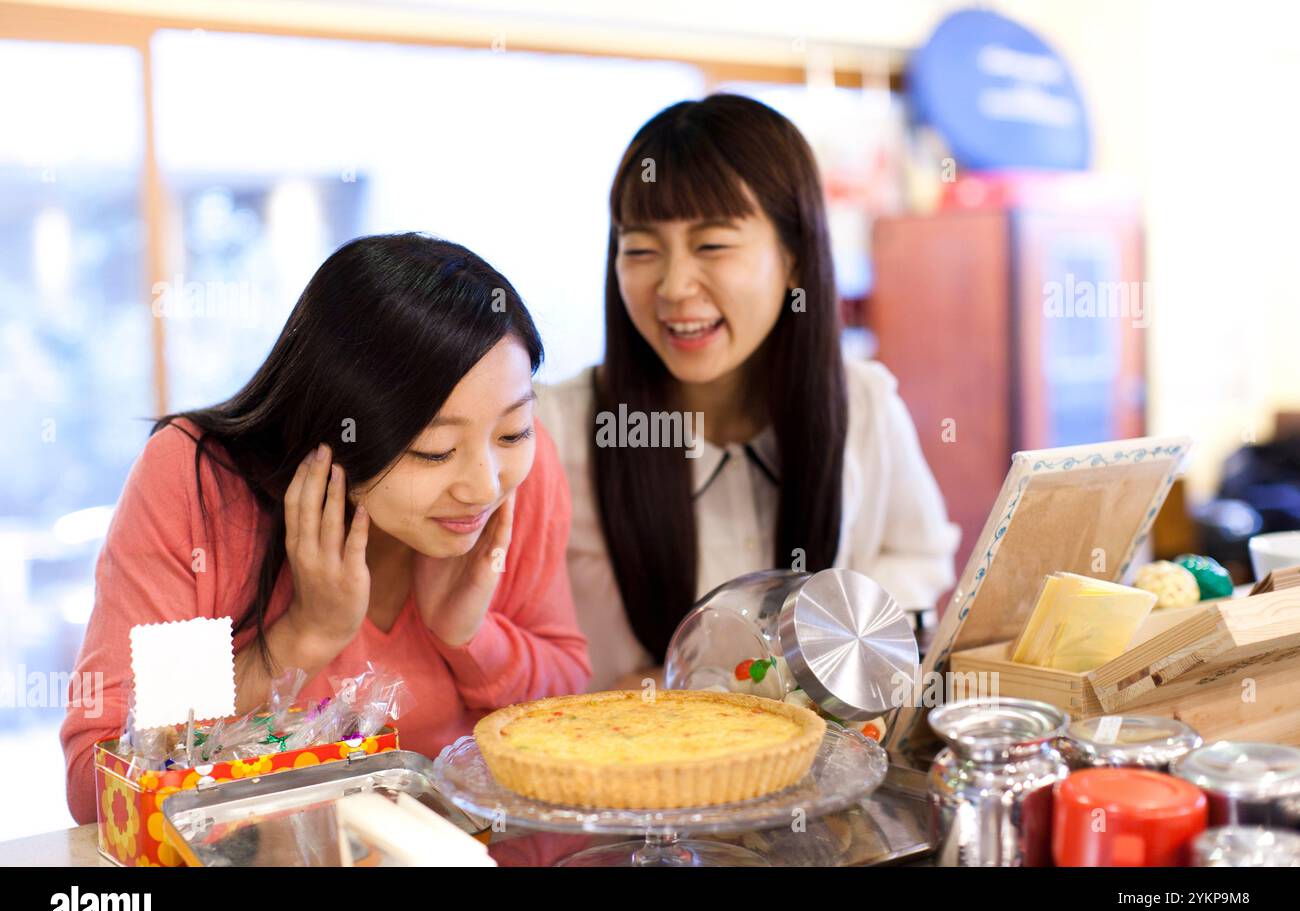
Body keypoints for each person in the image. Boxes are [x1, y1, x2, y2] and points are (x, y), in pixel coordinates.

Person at [61, 233, 590, 824]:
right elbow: (101, 782)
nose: (484, 485)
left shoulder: (521, 483)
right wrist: (303, 636)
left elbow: (575, 723)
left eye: (513, 433)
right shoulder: (200, 487)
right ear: (338, 432)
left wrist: (469, 634)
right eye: (436, 451)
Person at [538, 94, 959, 691]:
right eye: (640, 249)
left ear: (793, 258)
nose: (675, 285)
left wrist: (831, 646)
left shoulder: (862, 402)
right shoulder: (556, 430)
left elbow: (919, 556)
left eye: (712, 245)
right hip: (620, 769)